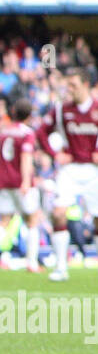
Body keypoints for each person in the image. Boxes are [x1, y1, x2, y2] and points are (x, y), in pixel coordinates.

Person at [35, 67, 98, 282]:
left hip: (95, 170)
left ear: (86, 85)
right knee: (58, 212)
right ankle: (61, 267)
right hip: (69, 169)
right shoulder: (61, 110)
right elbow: (41, 131)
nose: (69, 90)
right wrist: (54, 154)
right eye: (68, 85)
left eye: (74, 85)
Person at [0, 98, 43, 273]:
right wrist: (26, 181)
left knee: (4, 221)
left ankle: (8, 258)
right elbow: (26, 158)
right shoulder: (27, 133)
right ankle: (32, 263)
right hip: (20, 182)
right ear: (30, 115)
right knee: (31, 220)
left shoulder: (3, 131)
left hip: (3, 182)